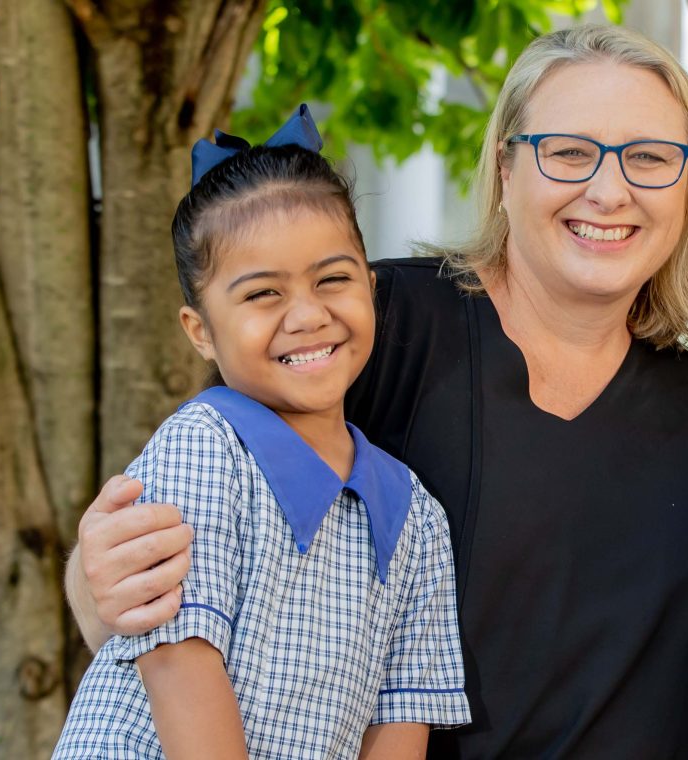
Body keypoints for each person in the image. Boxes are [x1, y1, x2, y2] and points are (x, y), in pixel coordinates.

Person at [65, 26, 688, 759]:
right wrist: (94, 578)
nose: (609, 190)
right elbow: (174, 565)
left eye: (649, 158)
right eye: (569, 152)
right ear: (506, 168)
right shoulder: (366, 326)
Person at [52, 107, 467, 758]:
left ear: (371, 286)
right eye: (262, 295)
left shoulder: (415, 515)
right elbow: (179, 663)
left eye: (333, 279)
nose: (307, 315)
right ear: (200, 331)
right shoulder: (203, 448)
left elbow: (399, 725)